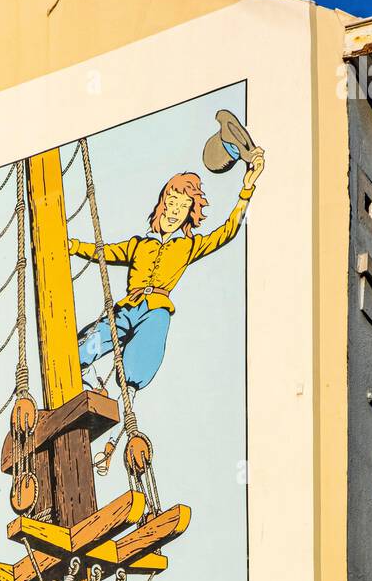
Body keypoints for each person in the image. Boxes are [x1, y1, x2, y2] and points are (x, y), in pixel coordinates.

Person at [70, 142, 265, 397]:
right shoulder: (138, 245)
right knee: (98, 336)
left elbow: (229, 231)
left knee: (148, 340)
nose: (175, 211)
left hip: (156, 308)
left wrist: (247, 189)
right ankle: (76, 369)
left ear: (189, 214)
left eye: (183, 207)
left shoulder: (189, 246)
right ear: (163, 204)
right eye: (172, 203)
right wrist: (73, 246)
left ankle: (127, 393)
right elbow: (104, 251)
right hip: (127, 307)